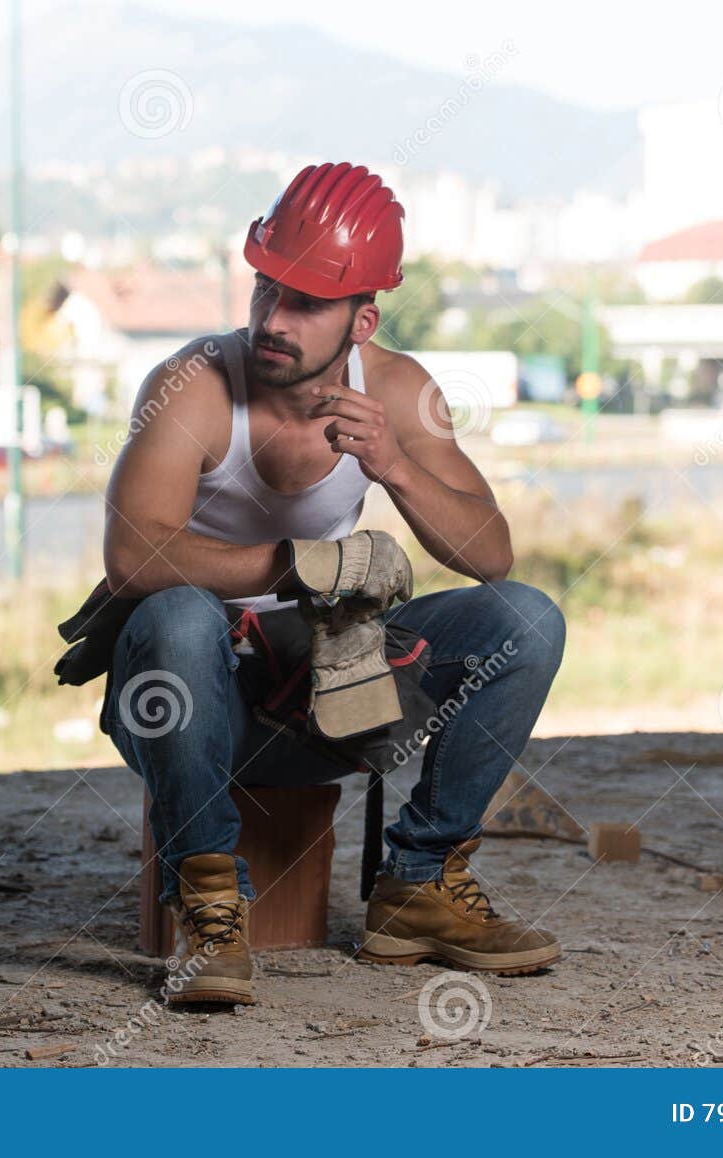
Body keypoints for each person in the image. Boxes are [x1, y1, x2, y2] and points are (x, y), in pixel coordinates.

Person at [101, 161, 566, 1005]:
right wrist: (299, 566)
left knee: (525, 620)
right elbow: (131, 558)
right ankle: (208, 910)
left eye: (307, 304)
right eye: (265, 291)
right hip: (183, 704)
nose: (273, 321)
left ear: (363, 319)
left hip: (325, 692)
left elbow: (492, 553)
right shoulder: (193, 384)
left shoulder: (398, 391)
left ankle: (417, 887)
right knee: (175, 615)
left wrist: (393, 467)